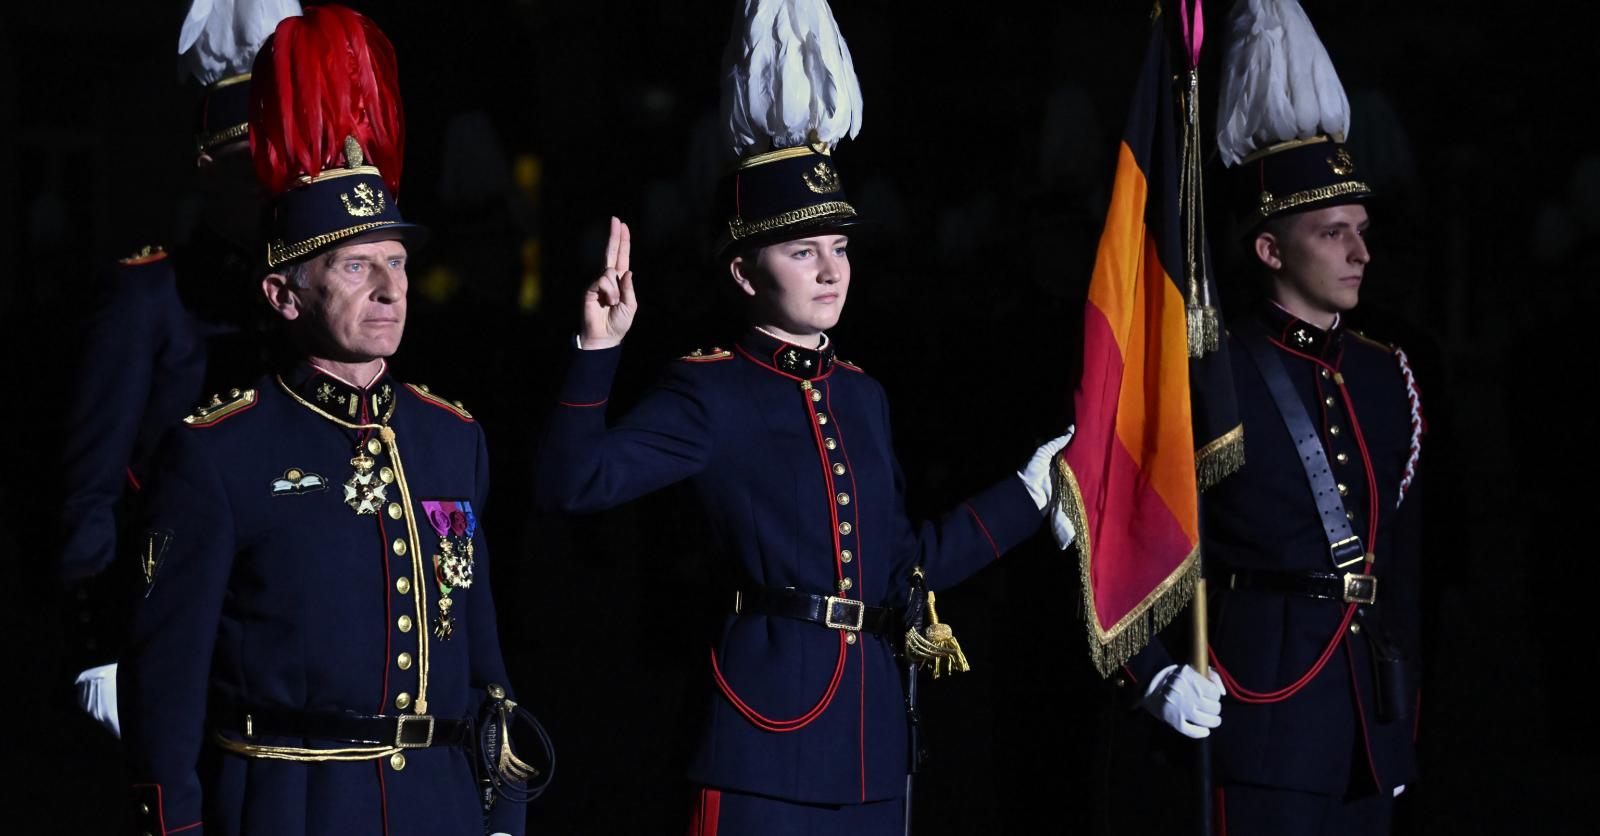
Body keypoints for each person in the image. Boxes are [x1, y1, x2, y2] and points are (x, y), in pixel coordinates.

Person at [535, 2, 1072, 831]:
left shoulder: (860, 392)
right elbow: (574, 484)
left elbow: (902, 571)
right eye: (801, 251)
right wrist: (596, 347)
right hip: (764, 744)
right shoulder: (709, 390)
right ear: (745, 274)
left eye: (841, 248)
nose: (831, 271)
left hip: (874, 742)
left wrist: (1030, 494)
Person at [118, 7, 536, 834]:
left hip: (442, 805)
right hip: (293, 805)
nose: (390, 289)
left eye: (397, 262)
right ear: (283, 294)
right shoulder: (219, 455)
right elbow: (165, 697)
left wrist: (503, 816)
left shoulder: (452, 438)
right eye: (355, 265)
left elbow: (489, 664)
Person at [1125, 1, 1424, 832]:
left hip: (1368, 723)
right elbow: (1139, 540)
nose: (1360, 252)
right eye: (1333, 233)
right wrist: (1150, 671)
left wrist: (1399, 733)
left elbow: (1399, 570)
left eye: (1361, 230)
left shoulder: (1382, 372)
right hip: (1259, 717)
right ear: (1269, 249)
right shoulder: (1210, 370)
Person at [59, 0, 301, 731]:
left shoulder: (300, 288)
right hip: (170, 599)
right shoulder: (147, 296)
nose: (268, 191)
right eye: (249, 170)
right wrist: (99, 643)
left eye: (280, 171)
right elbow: (92, 484)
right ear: (207, 169)